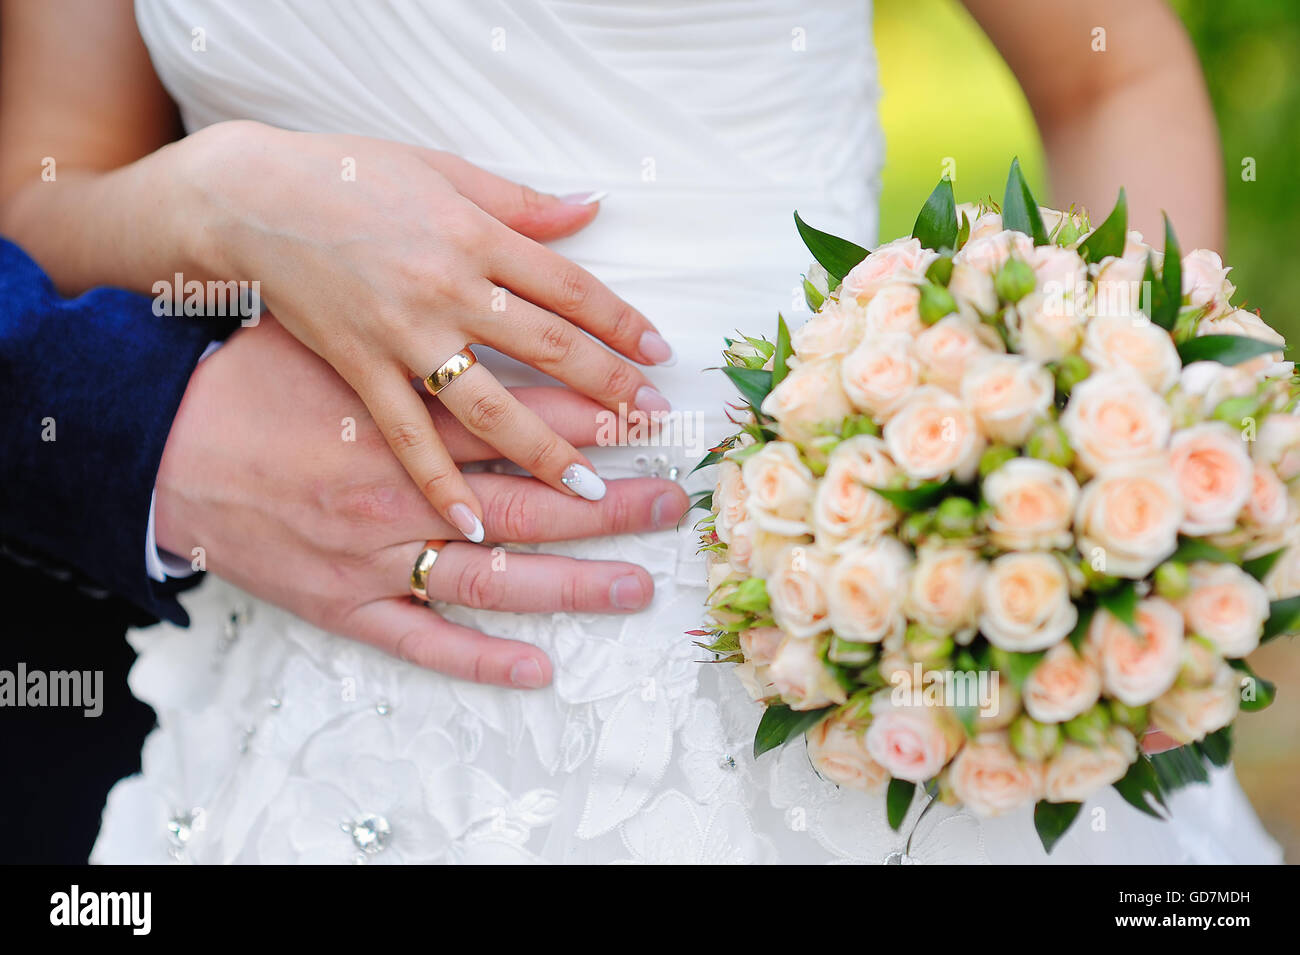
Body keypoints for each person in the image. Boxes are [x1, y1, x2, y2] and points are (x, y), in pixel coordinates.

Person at [0, 0, 1281, 862]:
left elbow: (1113, 71)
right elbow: (48, 183)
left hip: (877, 601)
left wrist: (1106, 429)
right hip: (336, 630)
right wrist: (214, 201)